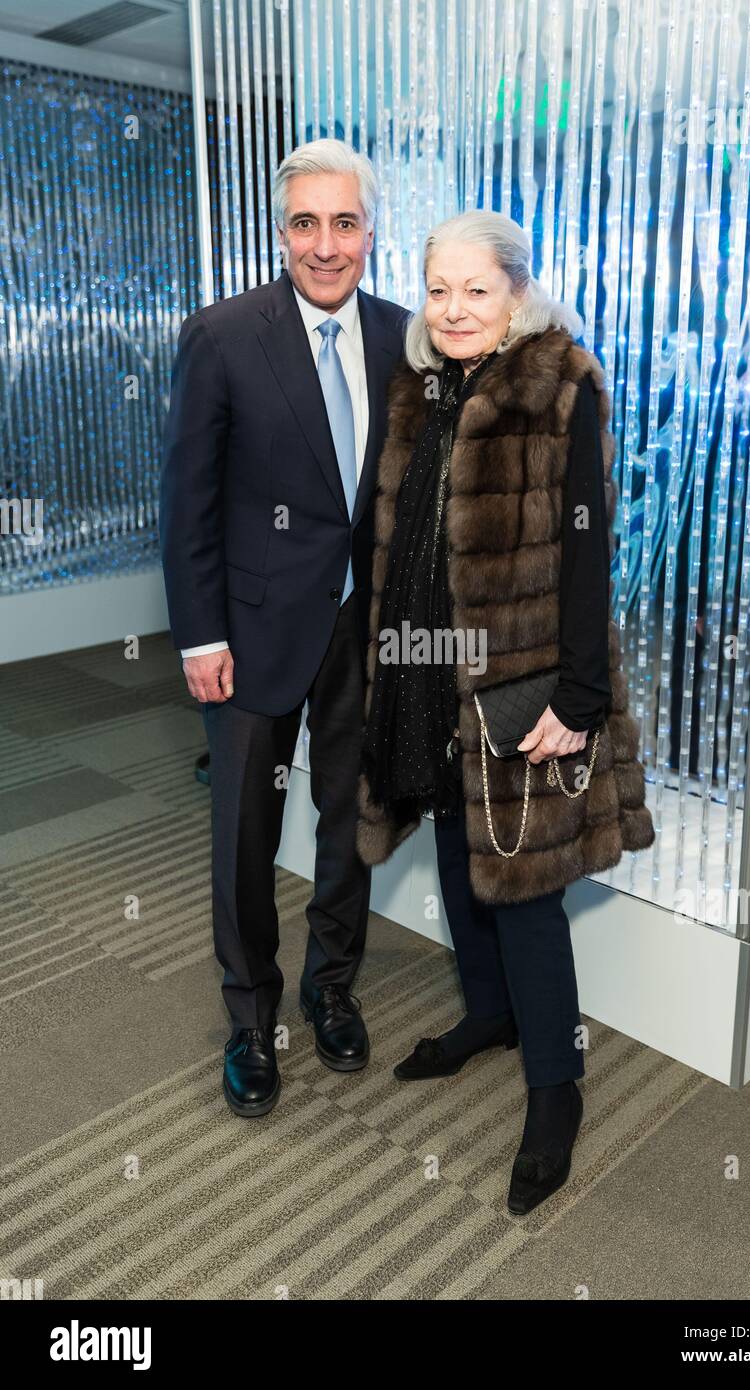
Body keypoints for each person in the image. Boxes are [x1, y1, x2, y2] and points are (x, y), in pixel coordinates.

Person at [356, 210, 653, 1213]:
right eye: (437, 287)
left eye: (474, 289)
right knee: (453, 845)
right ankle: (487, 1015)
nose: (450, 308)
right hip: (427, 665)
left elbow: (585, 546)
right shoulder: (420, 384)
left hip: (520, 682)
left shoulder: (559, 381)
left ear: (515, 292)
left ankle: (555, 1086)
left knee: (522, 884)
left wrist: (578, 696)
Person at [159, 139, 409, 1116]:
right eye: (305, 222)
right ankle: (251, 1015)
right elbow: (188, 502)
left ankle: (329, 986)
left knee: (351, 823)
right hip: (251, 634)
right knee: (244, 836)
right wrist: (197, 636)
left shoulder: (399, 337)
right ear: (281, 232)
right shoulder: (222, 335)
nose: (324, 244)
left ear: (368, 233)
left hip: (363, 629)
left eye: (343, 222)